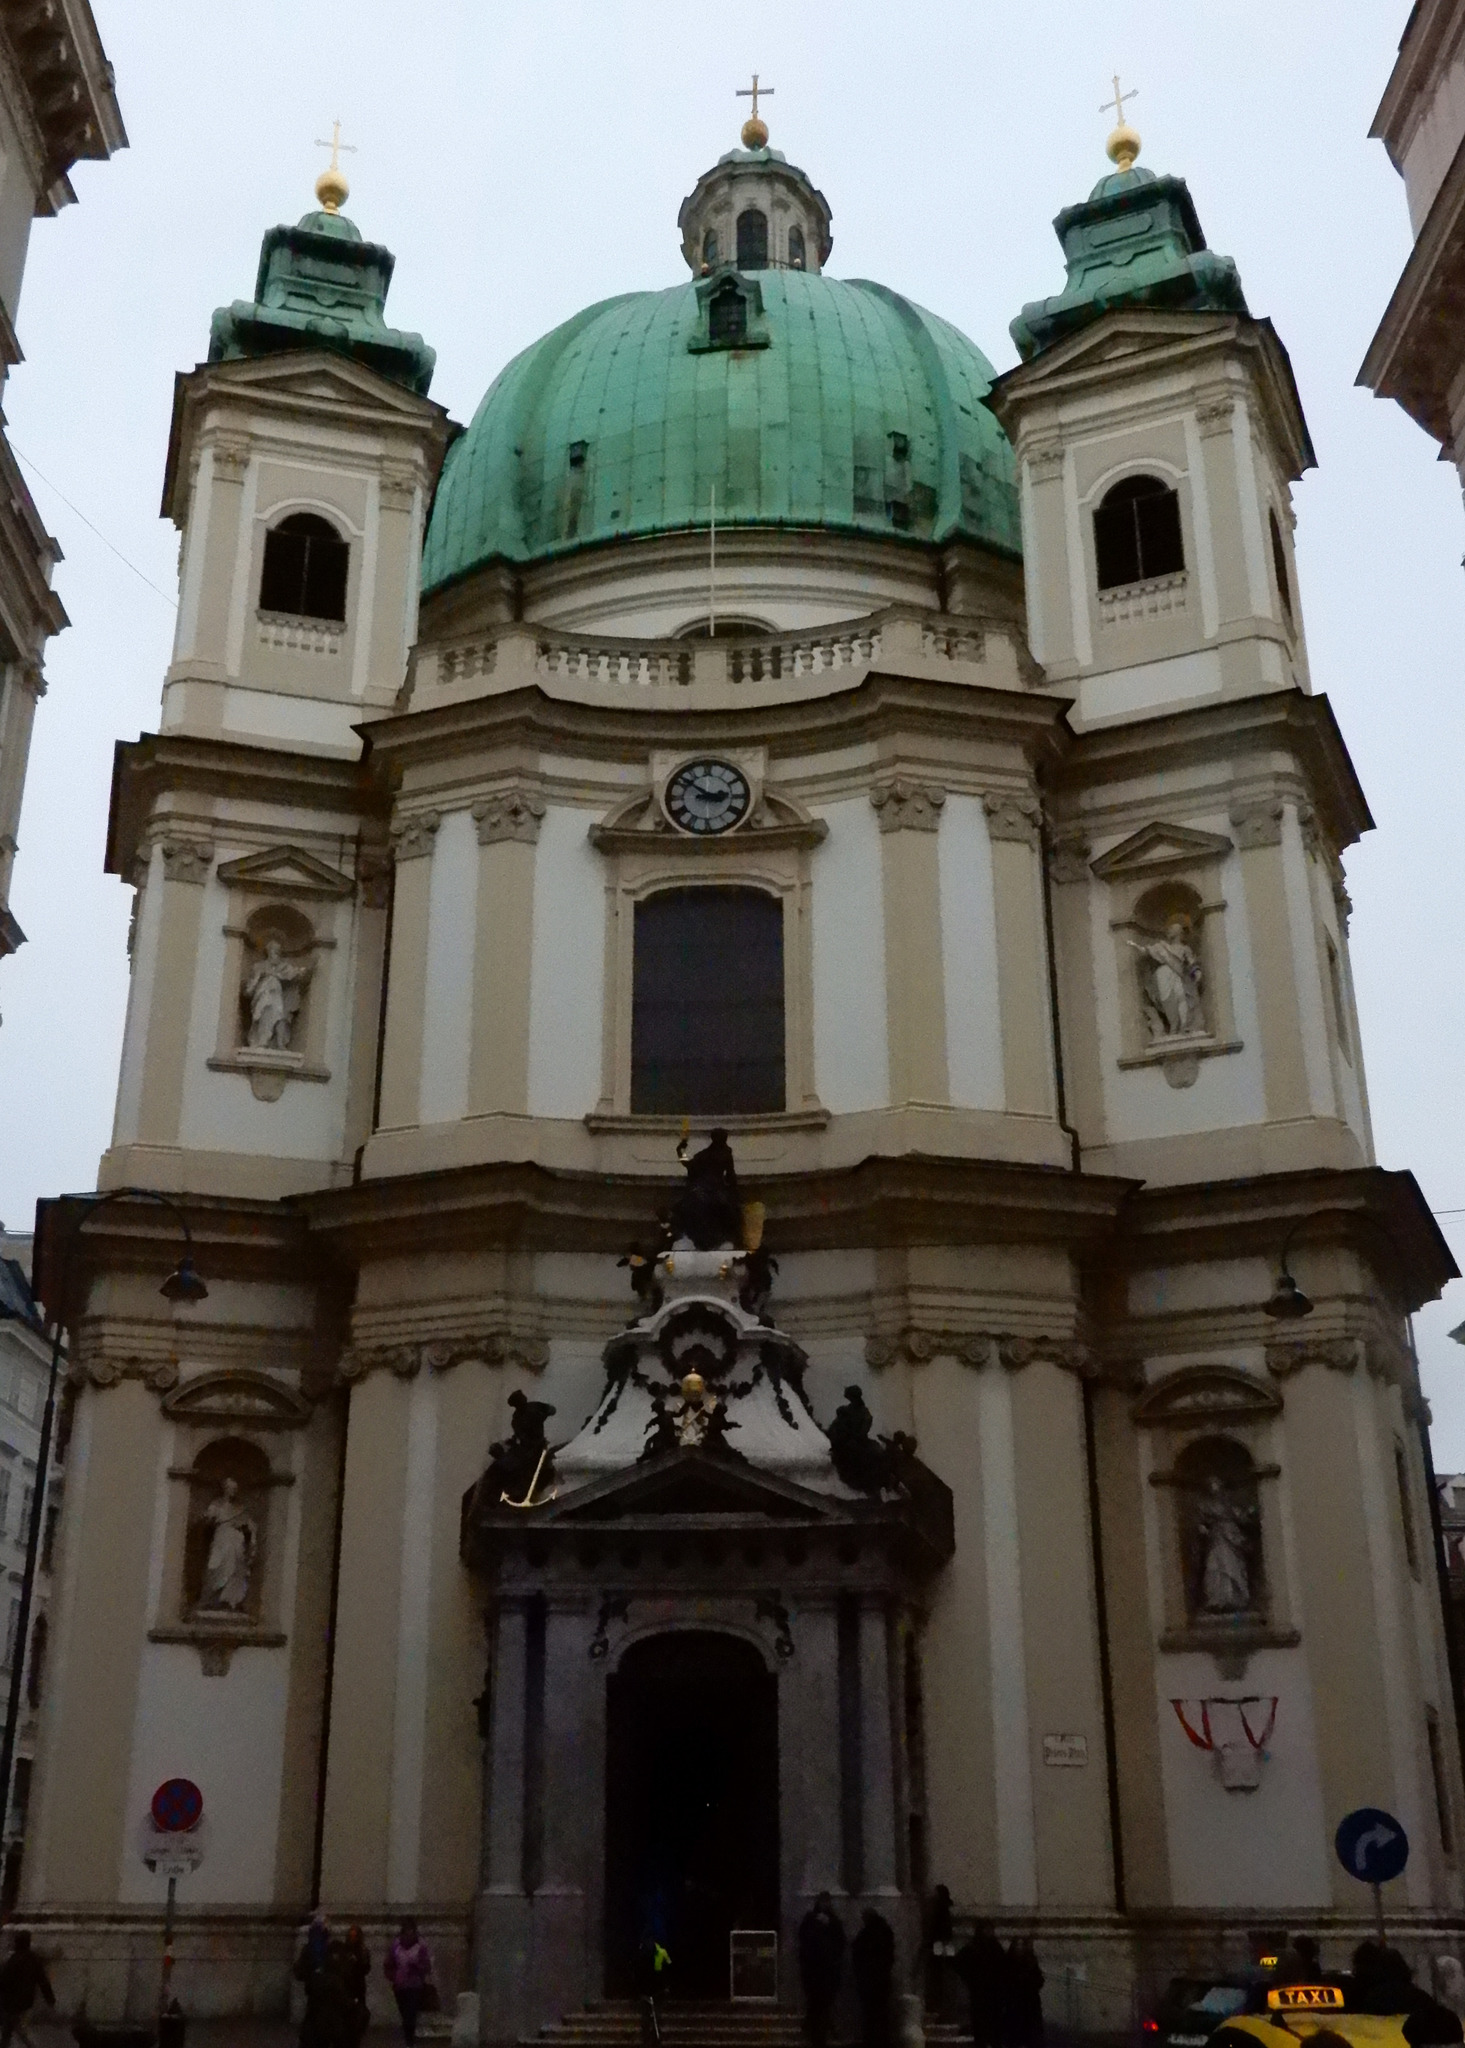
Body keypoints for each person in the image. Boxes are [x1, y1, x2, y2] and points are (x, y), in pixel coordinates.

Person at [799, 1893, 847, 2048]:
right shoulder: (811, 1919)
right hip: (814, 1972)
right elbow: (804, 1940)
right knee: (816, 2005)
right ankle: (816, 2034)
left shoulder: (833, 1921)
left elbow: (840, 1942)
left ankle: (820, 2033)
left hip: (826, 1972)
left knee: (823, 2006)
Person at [955, 1921, 1009, 2048]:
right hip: (979, 1995)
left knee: (995, 2031)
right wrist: (970, 1978)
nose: (988, 1933)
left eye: (990, 1930)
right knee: (980, 2030)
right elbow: (958, 1963)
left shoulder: (996, 1948)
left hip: (994, 1996)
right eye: (986, 1930)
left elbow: (1004, 1969)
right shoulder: (973, 1947)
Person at [385, 1918, 436, 2047]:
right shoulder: (396, 1945)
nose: (409, 1935)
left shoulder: (421, 1946)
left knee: (410, 2013)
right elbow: (389, 1963)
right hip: (400, 1986)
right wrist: (393, 1976)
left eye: (411, 1932)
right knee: (404, 2014)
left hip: (415, 1985)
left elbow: (427, 1966)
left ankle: (410, 2042)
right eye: (406, 1932)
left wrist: (418, 1966)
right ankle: (408, 2038)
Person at [0, 1931, 55, 2048]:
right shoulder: (33, 1959)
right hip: (26, 2001)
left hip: (12, 2002)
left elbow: (4, 1980)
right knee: (11, 2029)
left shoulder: (13, 1960)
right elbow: (43, 1981)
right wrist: (50, 1998)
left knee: (16, 2030)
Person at [852, 1908, 897, 2048]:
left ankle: (872, 2041)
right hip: (881, 1980)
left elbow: (858, 1952)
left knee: (871, 2015)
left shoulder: (868, 1934)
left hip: (870, 1981)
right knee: (881, 2014)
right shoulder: (885, 1931)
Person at [1006, 1937, 1044, 2048]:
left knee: (1031, 2035)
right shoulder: (1009, 1962)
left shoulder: (1030, 1961)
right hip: (1016, 2003)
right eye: (1018, 1945)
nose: (1020, 1947)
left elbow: (1038, 1979)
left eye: (1022, 1945)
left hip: (1030, 2003)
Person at [924, 1885, 956, 2016]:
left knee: (938, 1976)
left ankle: (939, 2006)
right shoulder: (945, 1909)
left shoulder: (940, 1910)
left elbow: (940, 1932)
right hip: (943, 1945)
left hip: (939, 1945)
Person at [342, 1926, 372, 2043]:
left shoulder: (363, 1951)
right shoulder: (344, 1950)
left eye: (355, 1936)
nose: (353, 1938)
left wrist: (357, 1962)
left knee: (359, 2009)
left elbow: (366, 1968)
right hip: (347, 1984)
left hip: (358, 1984)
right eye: (351, 1936)